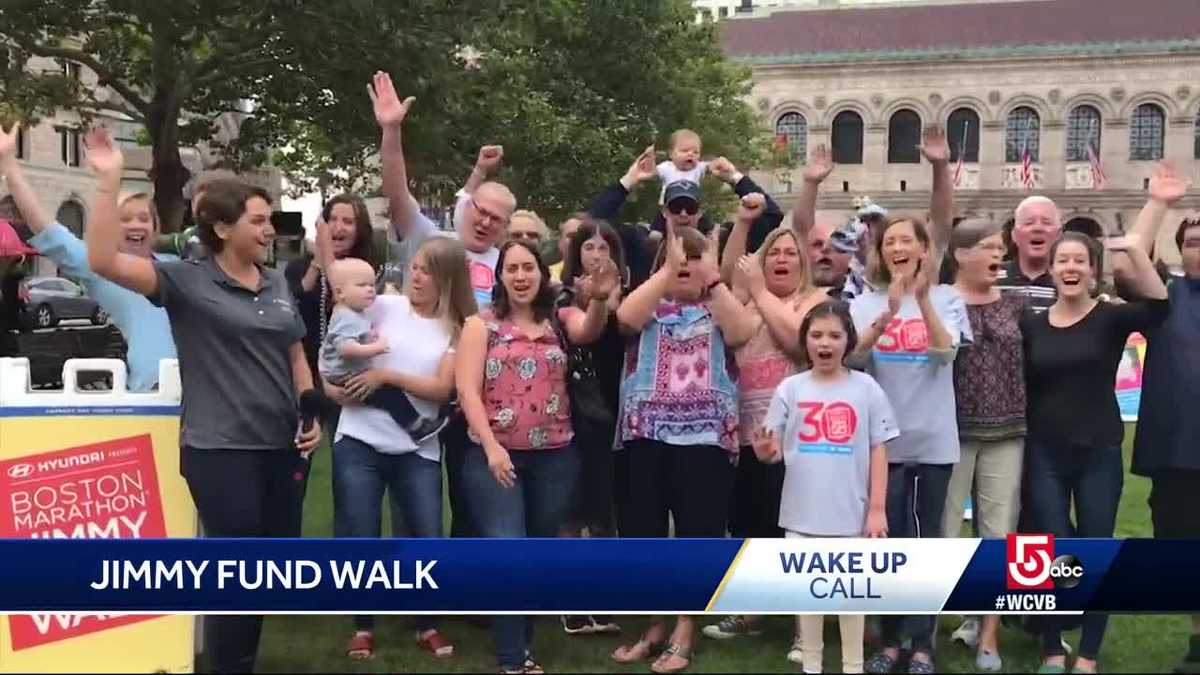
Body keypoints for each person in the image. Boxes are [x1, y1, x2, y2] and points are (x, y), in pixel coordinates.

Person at [82, 128, 321, 674]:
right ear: (221, 227)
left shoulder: (276, 282)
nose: (268, 230)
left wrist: (309, 410)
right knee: (238, 573)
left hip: (283, 449)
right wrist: (110, 181)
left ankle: (240, 661)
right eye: (257, 221)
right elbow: (101, 259)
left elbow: (293, 349)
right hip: (221, 449)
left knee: (269, 573)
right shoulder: (184, 281)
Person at [456, 240, 615, 674]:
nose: (521, 276)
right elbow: (467, 389)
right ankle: (512, 660)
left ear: (542, 275)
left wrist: (599, 298)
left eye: (529, 267)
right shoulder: (480, 325)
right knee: (508, 551)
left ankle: (520, 640)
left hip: (556, 458)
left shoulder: (559, 320)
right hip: (495, 457)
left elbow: (591, 330)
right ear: (501, 276)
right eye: (513, 268)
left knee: (537, 554)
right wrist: (490, 446)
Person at [371, 70, 516, 538]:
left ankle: (472, 593)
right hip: (423, 392)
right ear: (466, 208)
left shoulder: (508, 266)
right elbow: (397, 194)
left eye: (497, 219)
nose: (486, 221)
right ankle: (417, 592)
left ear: (504, 228)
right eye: (481, 210)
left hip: (481, 398)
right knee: (417, 503)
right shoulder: (432, 242)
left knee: (475, 500)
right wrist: (391, 131)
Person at [1020, 230, 1169, 674]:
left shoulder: (1110, 318)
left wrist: (1136, 250)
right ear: (1051, 270)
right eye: (1062, 261)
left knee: (1096, 546)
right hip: (1044, 450)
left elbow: (1160, 306)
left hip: (1099, 450)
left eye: (1079, 261)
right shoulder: (1031, 322)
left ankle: (1087, 654)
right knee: (1047, 545)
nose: (1070, 268)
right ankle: (1050, 644)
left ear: (1092, 271)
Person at [324, 236, 476, 662]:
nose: (416, 275)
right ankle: (363, 626)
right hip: (359, 440)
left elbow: (442, 387)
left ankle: (425, 621)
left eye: (426, 269)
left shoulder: (456, 329)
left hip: (417, 448)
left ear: (446, 278)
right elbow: (337, 332)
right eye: (414, 267)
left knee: (425, 537)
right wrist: (332, 386)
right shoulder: (383, 306)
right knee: (363, 533)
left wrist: (386, 377)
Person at [611, 225, 755, 674]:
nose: (687, 267)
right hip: (644, 434)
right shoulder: (647, 304)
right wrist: (665, 271)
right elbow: (624, 320)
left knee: (699, 537)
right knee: (644, 535)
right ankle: (654, 625)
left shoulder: (721, 305)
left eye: (695, 259)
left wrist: (713, 280)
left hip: (705, 441)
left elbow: (742, 332)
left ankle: (685, 631)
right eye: (680, 259)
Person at [850, 217, 971, 675]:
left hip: (932, 443)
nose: (897, 248)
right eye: (889, 242)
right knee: (885, 545)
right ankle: (892, 640)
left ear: (924, 249)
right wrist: (888, 314)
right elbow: (854, 359)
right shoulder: (864, 304)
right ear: (880, 253)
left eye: (907, 240)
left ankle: (922, 644)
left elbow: (945, 353)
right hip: (881, 445)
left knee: (924, 545)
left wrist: (920, 301)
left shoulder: (946, 298)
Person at [702, 214, 825, 652]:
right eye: (773, 251)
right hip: (744, 430)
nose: (782, 258)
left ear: (802, 263)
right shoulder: (746, 299)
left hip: (796, 437)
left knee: (796, 529)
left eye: (791, 252)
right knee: (752, 525)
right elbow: (723, 280)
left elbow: (797, 342)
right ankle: (754, 610)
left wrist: (757, 290)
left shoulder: (815, 301)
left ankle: (801, 628)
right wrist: (742, 226)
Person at [755, 300, 896, 675]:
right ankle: (812, 665)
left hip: (852, 517)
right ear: (805, 341)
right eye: (817, 335)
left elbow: (879, 448)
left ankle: (853, 666)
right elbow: (772, 447)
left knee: (852, 601)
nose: (825, 343)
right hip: (801, 516)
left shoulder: (866, 388)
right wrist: (765, 450)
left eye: (835, 335)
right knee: (808, 599)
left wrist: (876, 508)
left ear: (849, 341)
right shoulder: (791, 388)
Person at [0, 122, 176, 391]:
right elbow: (48, 230)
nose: (135, 225)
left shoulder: (179, 268)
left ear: (155, 227)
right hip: (153, 395)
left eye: (143, 218)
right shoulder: (100, 267)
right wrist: (10, 165)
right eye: (123, 219)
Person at [939, 219, 1027, 672]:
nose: (999, 255)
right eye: (990, 247)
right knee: (946, 532)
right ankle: (932, 623)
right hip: (949, 434)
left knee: (998, 535)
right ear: (960, 254)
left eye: (1001, 248)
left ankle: (987, 633)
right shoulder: (940, 302)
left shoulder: (1016, 304)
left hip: (1007, 432)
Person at [1123, 163, 1198, 674]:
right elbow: (1131, 261)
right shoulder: (1166, 296)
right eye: (1192, 241)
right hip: (1178, 451)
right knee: (1185, 554)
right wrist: (1160, 205)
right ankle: (1197, 643)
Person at [556, 219, 628, 636]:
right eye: (589, 248)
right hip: (573, 411)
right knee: (571, 507)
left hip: (616, 410)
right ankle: (571, 602)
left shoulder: (632, 297)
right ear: (576, 254)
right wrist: (598, 298)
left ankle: (602, 599)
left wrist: (610, 295)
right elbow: (585, 332)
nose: (597, 255)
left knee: (604, 510)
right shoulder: (564, 297)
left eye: (605, 247)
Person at [793, 128, 954, 299]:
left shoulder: (916, 275)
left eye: (900, 240)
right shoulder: (846, 292)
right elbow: (803, 231)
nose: (868, 233)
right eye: (863, 225)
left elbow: (940, 223)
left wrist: (940, 167)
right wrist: (810, 183)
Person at [589, 147, 780, 289]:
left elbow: (773, 217)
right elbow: (594, 221)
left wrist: (736, 179)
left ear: (700, 211)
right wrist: (629, 181)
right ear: (664, 212)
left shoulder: (720, 240)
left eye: (689, 207)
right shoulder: (644, 243)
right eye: (675, 207)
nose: (683, 214)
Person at [319, 257, 446, 442]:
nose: (370, 289)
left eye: (372, 284)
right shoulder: (347, 317)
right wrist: (374, 348)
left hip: (343, 373)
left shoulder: (354, 312)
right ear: (340, 292)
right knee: (389, 394)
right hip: (345, 375)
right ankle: (416, 426)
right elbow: (345, 349)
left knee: (385, 393)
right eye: (362, 285)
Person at [284, 193, 377, 424]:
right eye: (332, 220)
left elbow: (343, 300)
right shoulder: (299, 267)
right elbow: (298, 299)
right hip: (306, 368)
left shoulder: (366, 272)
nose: (338, 228)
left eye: (348, 222)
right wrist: (318, 262)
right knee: (301, 444)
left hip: (346, 373)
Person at [998, 195, 1063, 311]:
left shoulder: (1069, 282)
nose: (1038, 228)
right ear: (1014, 235)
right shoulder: (990, 278)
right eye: (1029, 223)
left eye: (1046, 222)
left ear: (1058, 235)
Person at [548, 214, 584, 283]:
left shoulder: (605, 275)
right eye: (571, 236)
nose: (575, 240)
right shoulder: (547, 277)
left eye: (581, 235)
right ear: (560, 243)